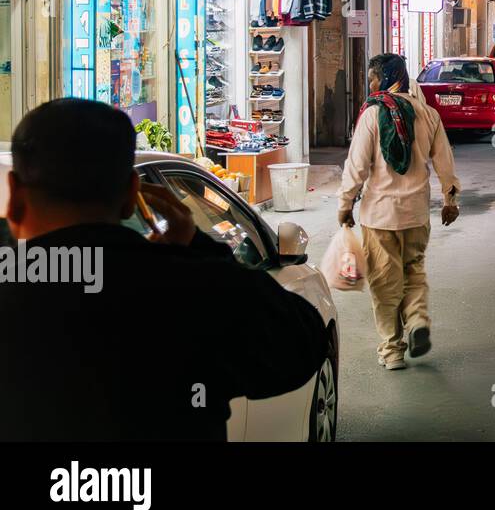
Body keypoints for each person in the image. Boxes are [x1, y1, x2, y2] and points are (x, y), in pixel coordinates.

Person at [0, 98, 327, 441]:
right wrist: (199, 249)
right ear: (131, 195)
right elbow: (301, 345)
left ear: (17, 199)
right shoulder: (191, 288)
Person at [339, 53, 460, 370]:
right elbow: (445, 161)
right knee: (414, 272)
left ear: (388, 78)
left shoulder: (371, 115)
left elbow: (357, 166)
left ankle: (392, 350)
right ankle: (418, 320)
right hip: (416, 214)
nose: (370, 85)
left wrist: (345, 203)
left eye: (373, 79)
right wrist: (450, 199)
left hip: (379, 217)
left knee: (383, 283)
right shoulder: (428, 114)